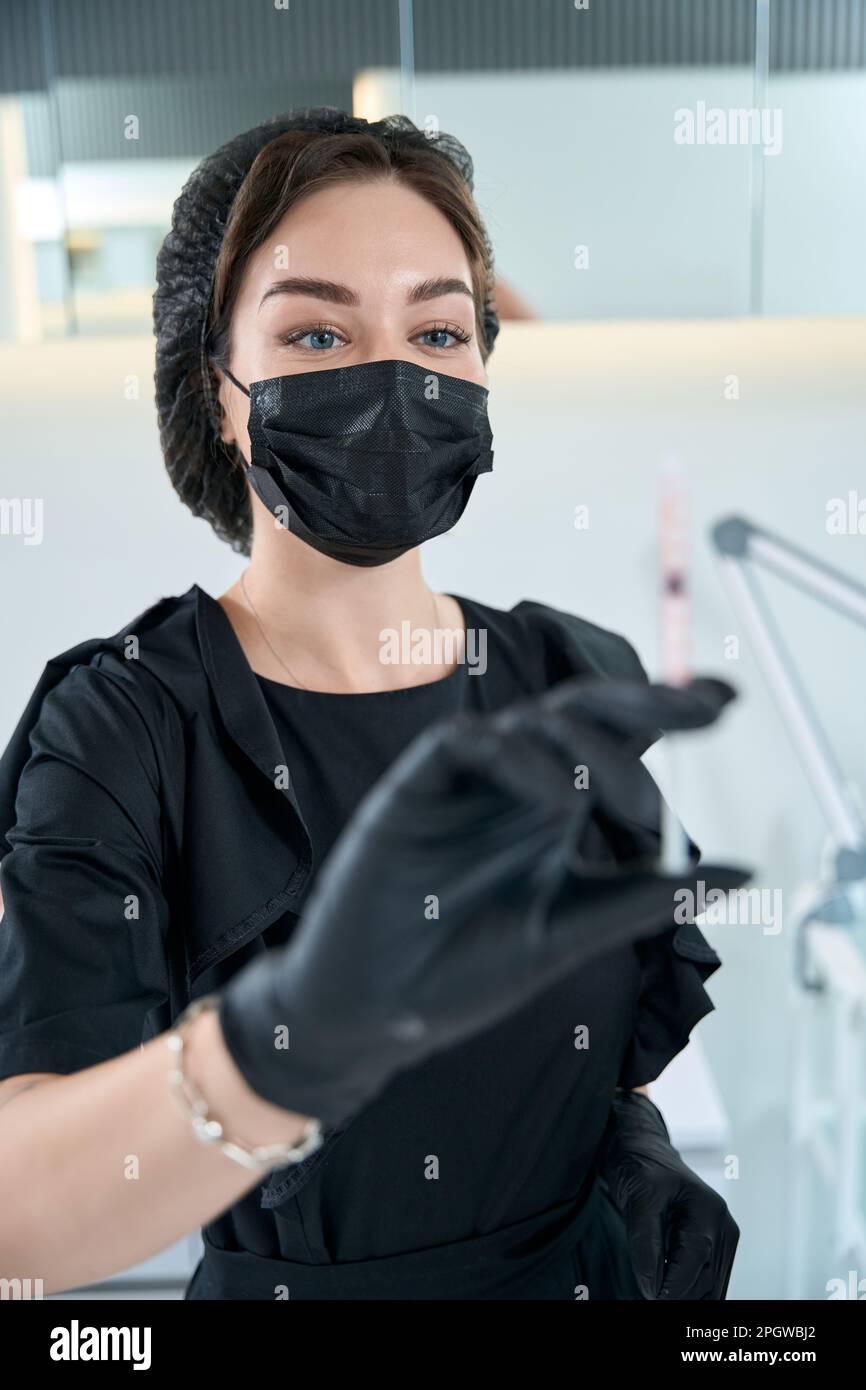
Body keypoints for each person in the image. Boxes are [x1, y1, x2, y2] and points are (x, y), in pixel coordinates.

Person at [0, 108, 746, 1301]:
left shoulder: (559, 681)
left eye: (437, 329)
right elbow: (18, 1213)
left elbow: (597, 1050)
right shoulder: (128, 725)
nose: (390, 377)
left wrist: (634, 1155)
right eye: (314, 332)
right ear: (219, 388)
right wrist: (282, 1040)